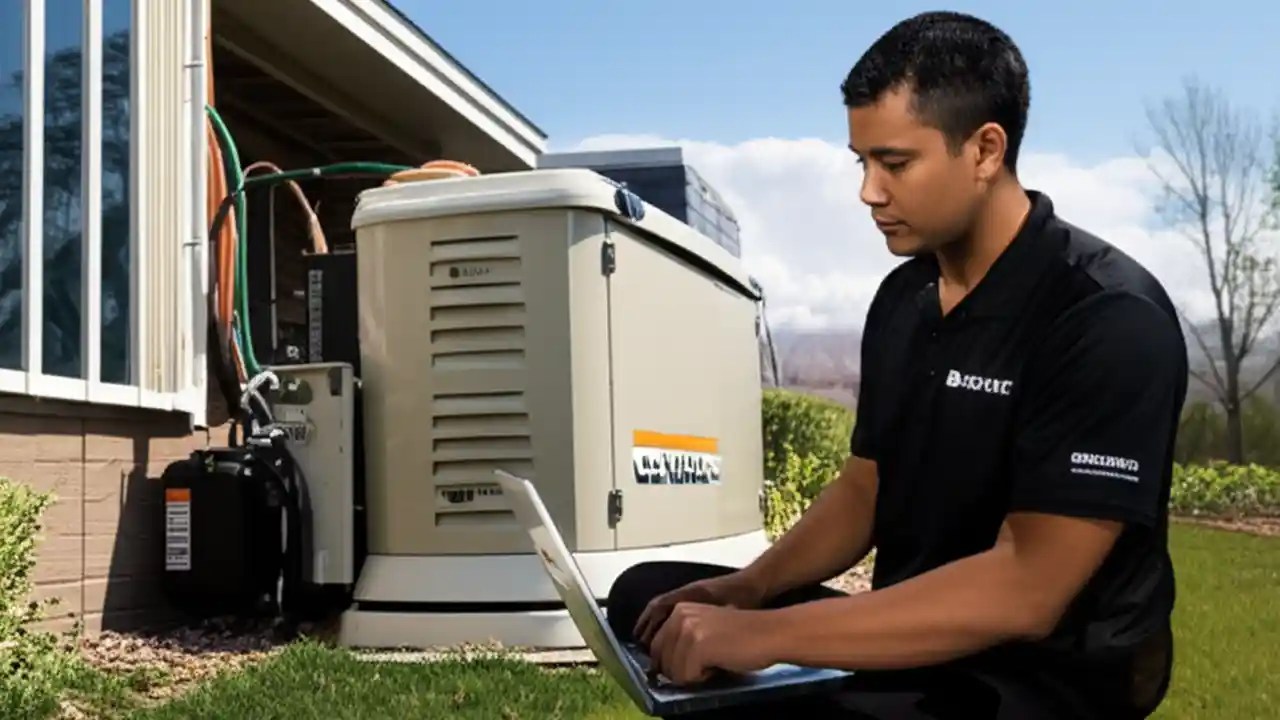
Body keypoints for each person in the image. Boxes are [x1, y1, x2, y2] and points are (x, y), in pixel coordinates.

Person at [605, 10, 1188, 720]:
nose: (868, 192)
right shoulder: (905, 295)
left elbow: (1028, 590)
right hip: (913, 636)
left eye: (896, 163)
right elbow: (864, 490)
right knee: (652, 599)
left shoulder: (1105, 316)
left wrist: (765, 636)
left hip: (1041, 674)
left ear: (984, 150)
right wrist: (749, 589)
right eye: (862, 162)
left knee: (751, 670)